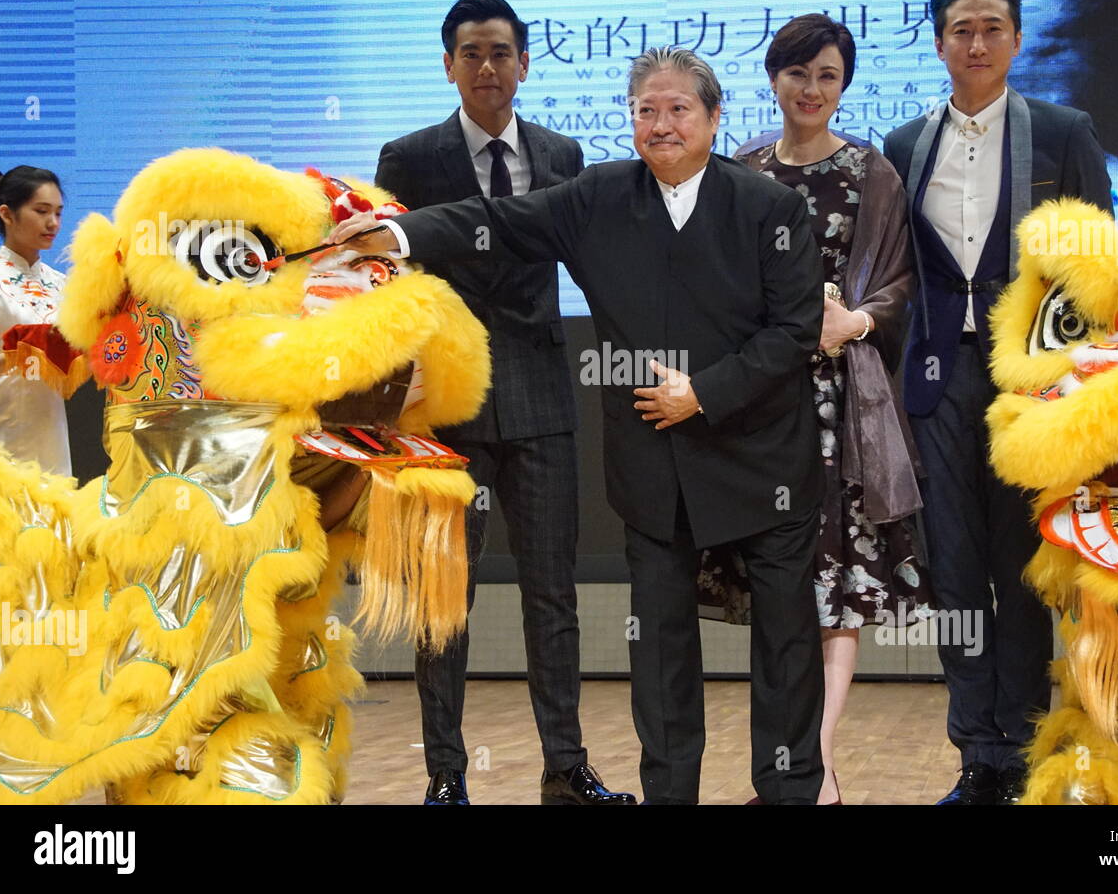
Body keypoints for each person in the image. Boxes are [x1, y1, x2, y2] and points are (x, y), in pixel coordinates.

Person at [331, 46, 827, 805]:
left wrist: (705, 392)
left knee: (786, 646)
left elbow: (793, 333)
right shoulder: (596, 196)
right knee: (660, 650)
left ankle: (790, 792)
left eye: (678, 110)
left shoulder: (770, 208)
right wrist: (394, 237)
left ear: (715, 117)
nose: (660, 126)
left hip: (763, 460)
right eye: (645, 111)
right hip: (653, 463)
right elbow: (493, 220)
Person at [372, 0, 632, 806]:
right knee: (443, 600)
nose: (488, 68)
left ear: (524, 63)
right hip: (444, 402)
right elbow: (386, 280)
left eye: (502, 53)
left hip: (543, 394)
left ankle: (566, 767)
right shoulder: (408, 158)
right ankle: (445, 776)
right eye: (472, 53)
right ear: (448, 64)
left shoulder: (562, 153)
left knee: (552, 593)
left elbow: (590, 258)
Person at [882, 0, 1113, 805]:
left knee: (1021, 560)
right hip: (937, 373)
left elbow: (1099, 265)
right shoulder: (905, 146)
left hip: (1033, 379)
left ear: (1016, 39)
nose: (976, 44)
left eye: (991, 28)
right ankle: (975, 751)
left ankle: (1022, 744)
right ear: (939, 42)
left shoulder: (1062, 130)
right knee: (951, 564)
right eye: (960, 30)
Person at [700, 14, 930, 806]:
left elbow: (900, 285)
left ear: (844, 84)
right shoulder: (741, 169)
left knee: (839, 583)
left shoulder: (873, 172)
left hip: (840, 406)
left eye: (827, 75)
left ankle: (818, 757)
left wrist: (855, 320)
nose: (812, 89)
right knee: (781, 586)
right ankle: (789, 751)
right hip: (760, 401)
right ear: (773, 78)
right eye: (798, 74)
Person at [0, 166, 70, 475]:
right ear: (7, 214)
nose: (53, 223)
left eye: (59, 213)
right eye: (41, 211)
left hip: (50, 435)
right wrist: (21, 355)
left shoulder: (63, 284)